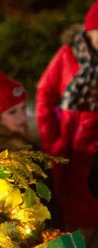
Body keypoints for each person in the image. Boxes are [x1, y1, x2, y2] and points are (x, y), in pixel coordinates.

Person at [37, 2, 98, 231]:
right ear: (89, 31)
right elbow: (45, 93)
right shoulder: (68, 55)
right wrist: (51, 139)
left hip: (94, 156)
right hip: (68, 151)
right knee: (68, 221)